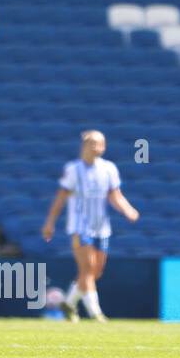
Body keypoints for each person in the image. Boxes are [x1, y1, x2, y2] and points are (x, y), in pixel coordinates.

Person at [40, 130, 140, 322]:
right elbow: (61, 197)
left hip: (101, 227)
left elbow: (115, 195)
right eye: (92, 143)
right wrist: (50, 222)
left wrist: (128, 210)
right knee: (87, 268)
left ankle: (68, 304)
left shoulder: (109, 168)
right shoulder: (73, 169)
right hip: (79, 226)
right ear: (84, 146)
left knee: (96, 272)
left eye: (99, 143)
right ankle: (96, 313)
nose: (96, 147)